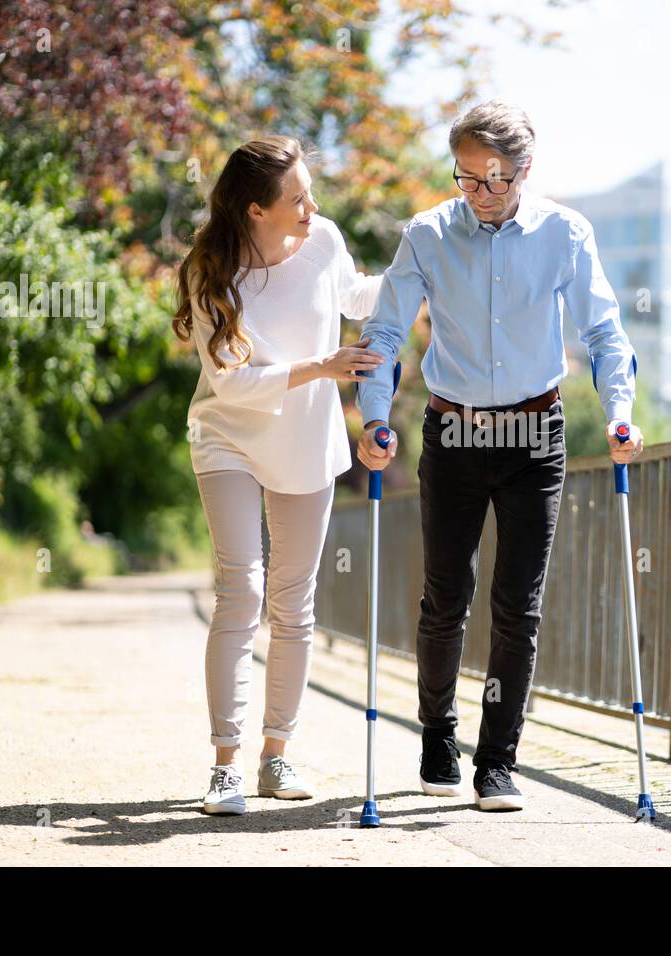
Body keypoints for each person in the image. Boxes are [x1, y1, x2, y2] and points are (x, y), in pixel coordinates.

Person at [354, 100, 642, 811]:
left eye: (497, 181)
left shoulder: (565, 234)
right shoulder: (425, 234)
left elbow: (604, 333)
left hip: (534, 435)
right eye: (467, 180)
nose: (482, 196)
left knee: (518, 606)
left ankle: (498, 763)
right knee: (444, 598)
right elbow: (385, 334)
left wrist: (621, 414)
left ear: (525, 172)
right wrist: (372, 418)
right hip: (453, 432)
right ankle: (436, 733)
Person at [173, 135, 384, 815]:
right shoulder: (212, 274)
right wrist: (324, 367)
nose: (311, 206)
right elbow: (232, 384)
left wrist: (426, 263)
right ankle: (226, 765)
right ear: (257, 210)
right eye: (296, 198)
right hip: (228, 435)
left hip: (304, 442)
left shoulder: (321, 240)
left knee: (293, 603)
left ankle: (276, 754)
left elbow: (359, 297)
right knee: (242, 591)